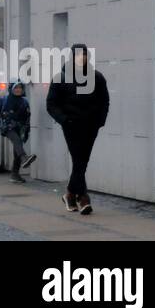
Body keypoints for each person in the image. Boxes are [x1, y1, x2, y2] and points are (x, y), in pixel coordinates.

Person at [46, 44, 110, 214]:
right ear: (72, 58)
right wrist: (64, 120)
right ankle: (83, 198)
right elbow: (51, 104)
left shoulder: (97, 77)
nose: (82, 58)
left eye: (85, 55)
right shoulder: (61, 78)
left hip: (91, 125)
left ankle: (69, 194)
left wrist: (100, 121)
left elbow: (105, 101)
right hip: (71, 125)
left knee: (82, 161)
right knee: (79, 161)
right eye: (78, 55)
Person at [0, 80, 37, 183]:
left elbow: (27, 117)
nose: (18, 90)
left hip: (20, 128)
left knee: (18, 148)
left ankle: (14, 174)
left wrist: (27, 129)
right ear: (11, 89)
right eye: (16, 88)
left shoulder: (25, 101)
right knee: (16, 141)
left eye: (20, 88)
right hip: (8, 127)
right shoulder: (4, 99)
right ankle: (24, 158)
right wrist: (0, 126)